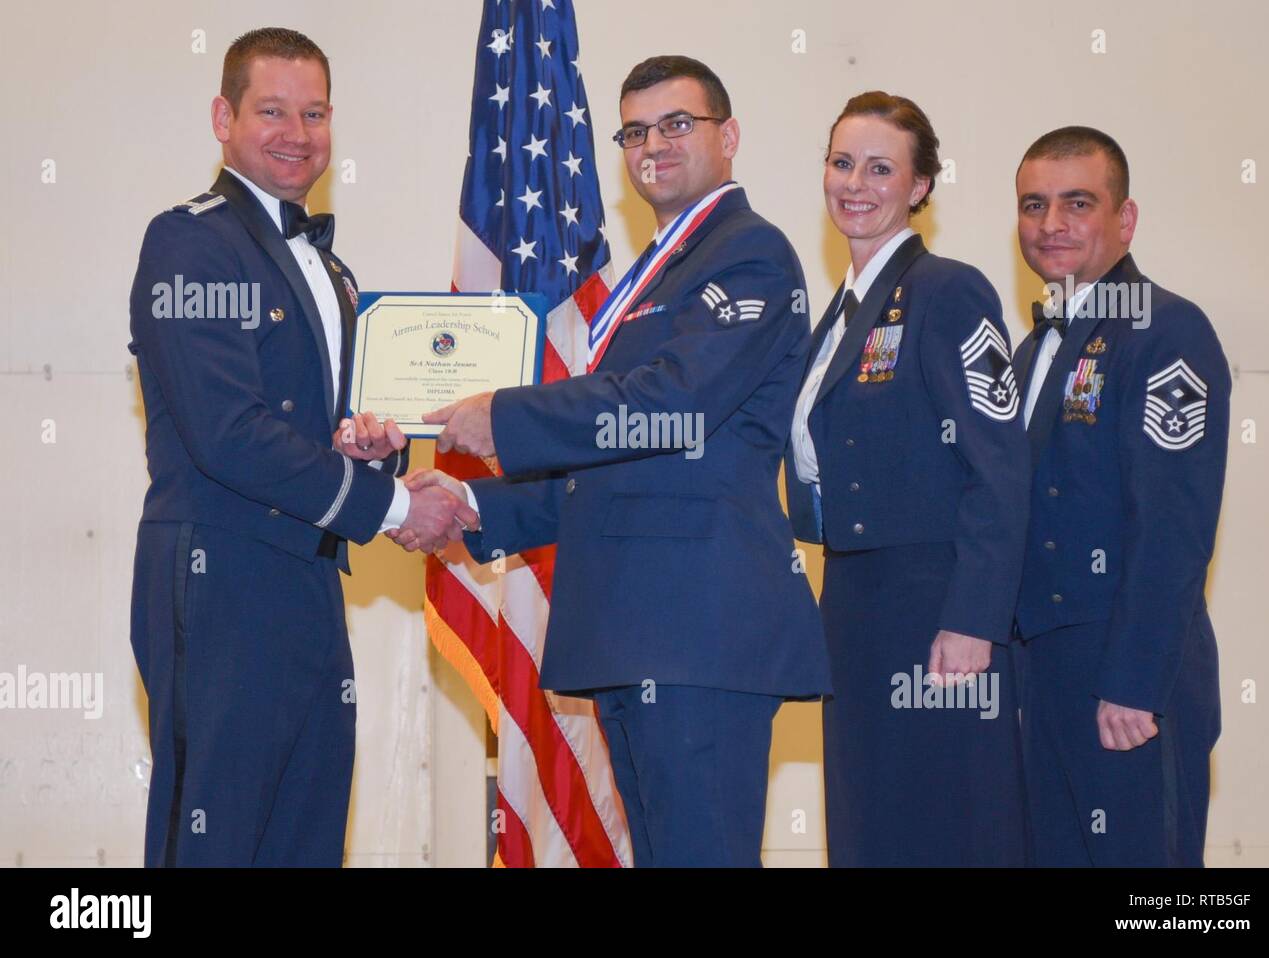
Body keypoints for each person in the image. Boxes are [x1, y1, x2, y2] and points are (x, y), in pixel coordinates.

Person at [403, 56, 830, 867]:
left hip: (701, 633)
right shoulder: (664, 267)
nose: (652, 146)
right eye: (635, 130)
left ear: (728, 135)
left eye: (677, 124)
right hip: (642, 632)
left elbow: (672, 407)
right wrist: (477, 508)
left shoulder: (749, 254)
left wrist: (504, 415)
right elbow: (616, 464)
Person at [127, 27, 475, 866]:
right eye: (272, 110)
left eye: (314, 112)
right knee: (216, 830)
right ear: (223, 116)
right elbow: (228, 435)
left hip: (311, 575)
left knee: (307, 832)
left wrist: (376, 450)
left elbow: (316, 432)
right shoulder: (190, 242)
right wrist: (393, 504)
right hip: (219, 578)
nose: (297, 132)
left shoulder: (334, 269)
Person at [783, 92, 1031, 866]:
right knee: (870, 823)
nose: (855, 183)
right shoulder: (839, 314)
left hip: (935, 607)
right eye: (842, 162)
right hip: (856, 600)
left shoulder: (949, 292)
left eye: (881, 167)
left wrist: (973, 619)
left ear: (921, 187)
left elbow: (1001, 464)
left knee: (941, 823)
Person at [1011, 126, 1230, 866]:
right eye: (1033, 204)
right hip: (1040, 677)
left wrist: (1134, 684)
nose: (1051, 225)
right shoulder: (1032, 348)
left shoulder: (1164, 330)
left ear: (1125, 220)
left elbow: (1173, 524)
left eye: (1078, 203)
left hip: (1125, 680)